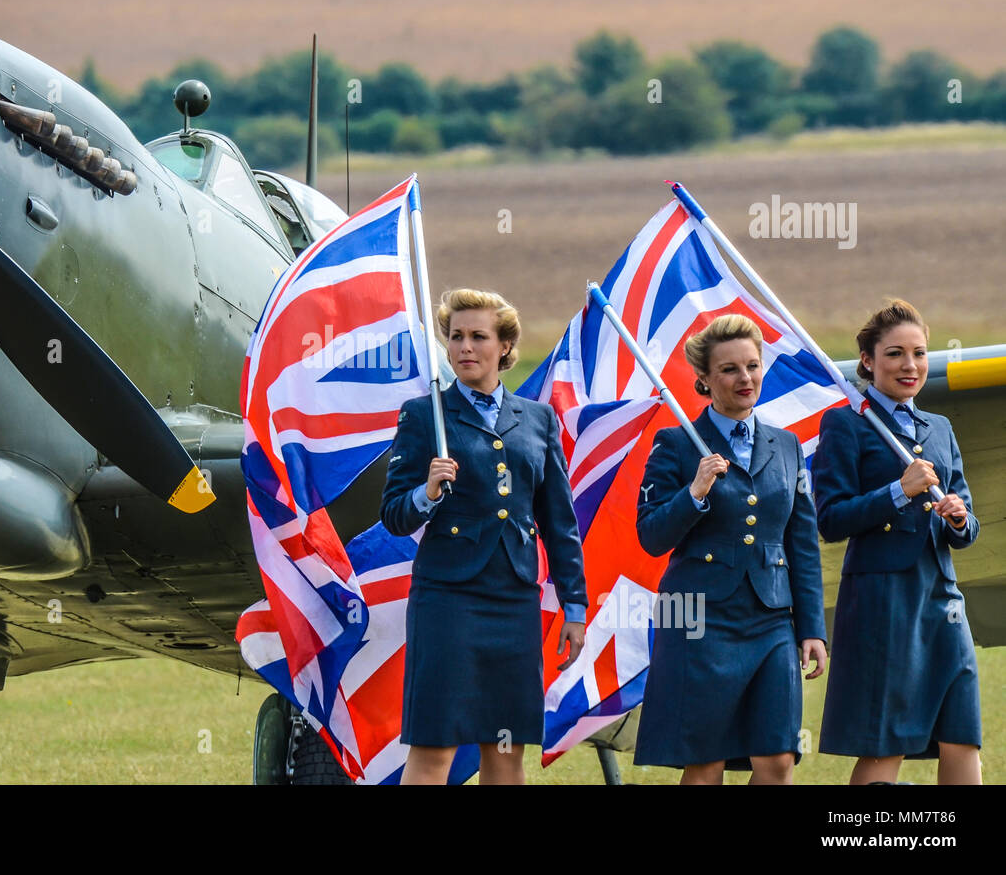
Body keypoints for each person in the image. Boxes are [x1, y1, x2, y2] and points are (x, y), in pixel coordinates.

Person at [381, 288, 587, 785]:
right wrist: (426, 493)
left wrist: (575, 607)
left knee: (506, 749)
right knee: (435, 746)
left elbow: (560, 523)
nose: (465, 347)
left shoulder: (538, 420)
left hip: (514, 598)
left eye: (478, 337)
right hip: (446, 598)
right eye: (456, 337)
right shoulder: (423, 414)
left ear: (505, 347)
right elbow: (393, 515)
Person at [634, 314, 827, 784]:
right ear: (703, 378)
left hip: (771, 619)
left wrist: (813, 628)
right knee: (706, 760)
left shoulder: (787, 446)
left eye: (753, 366)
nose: (745, 378)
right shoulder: (676, 444)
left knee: (777, 757)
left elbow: (801, 543)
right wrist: (695, 492)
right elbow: (652, 536)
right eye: (730, 369)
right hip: (700, 619)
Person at [813, 299, 981, 784]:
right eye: (895, 354)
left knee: (962, 734)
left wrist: (958, 518)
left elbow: (967, 527)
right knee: (888, 742)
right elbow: (831, 520)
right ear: (868, 360)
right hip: (882, 599)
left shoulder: (941, 429)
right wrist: (898, 491)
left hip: (942, 597)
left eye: (919, 354)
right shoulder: (845, 425)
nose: (910, 366)